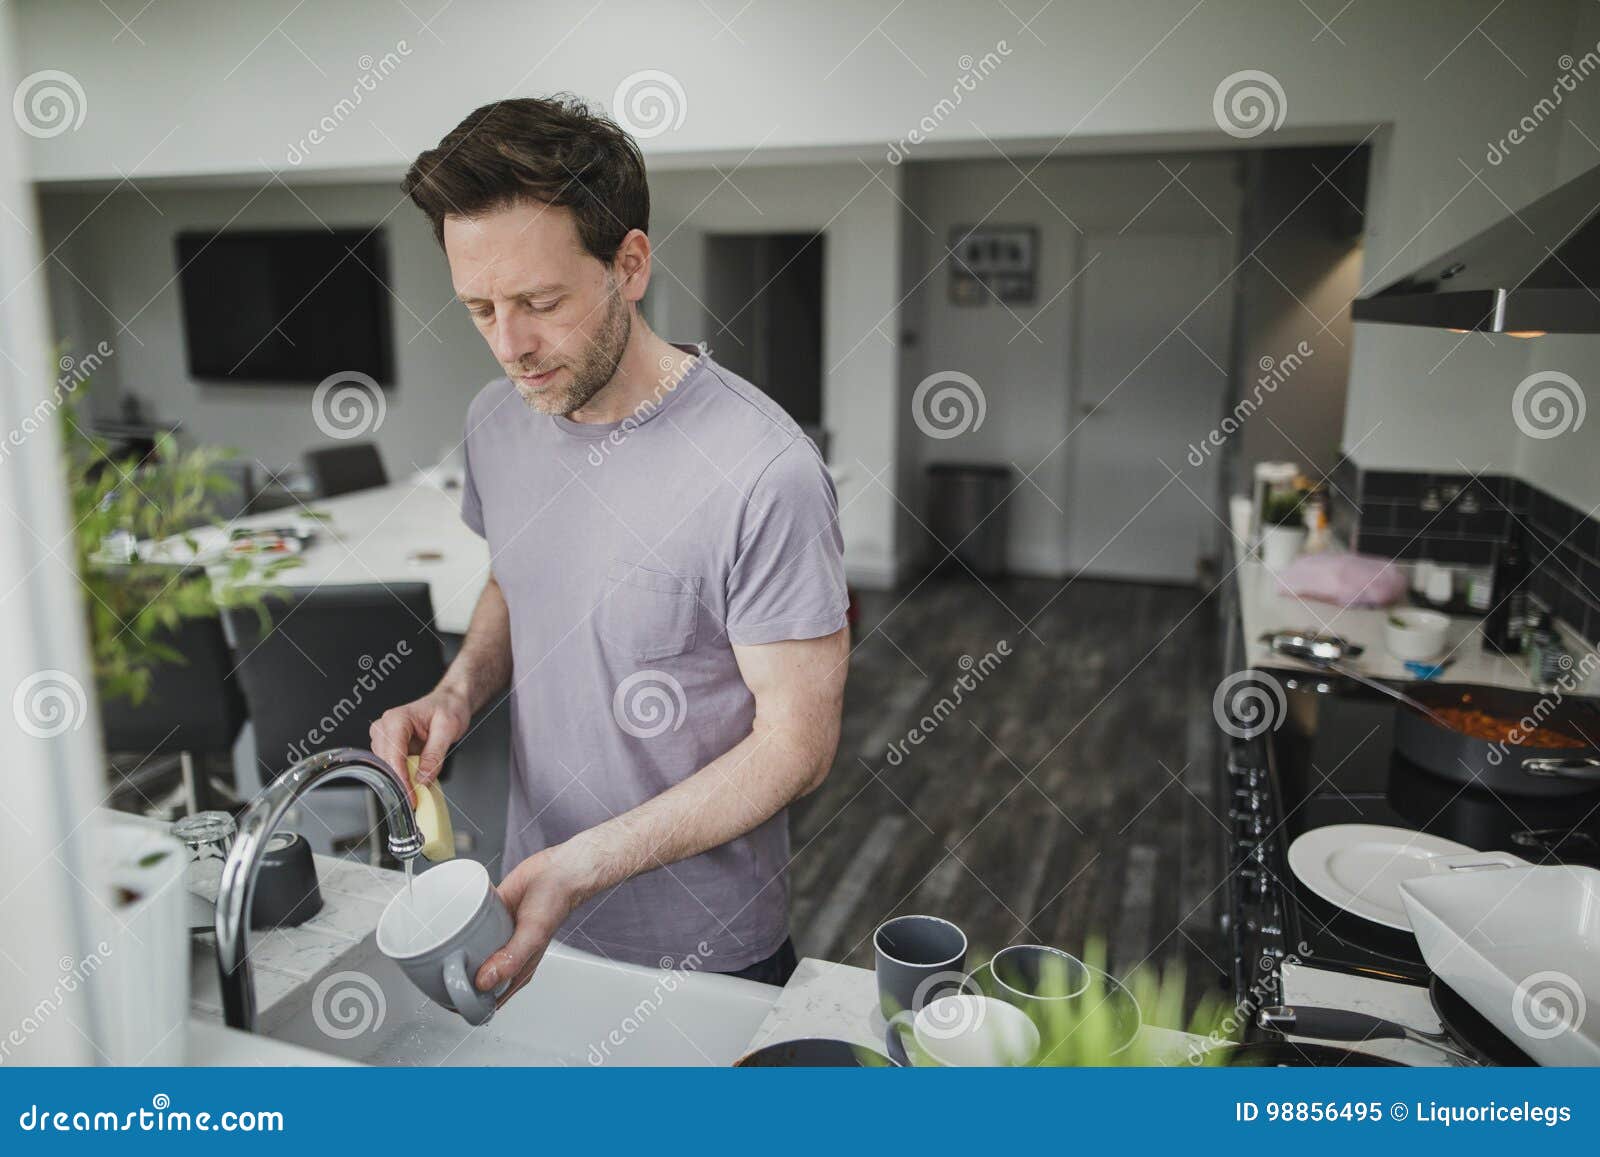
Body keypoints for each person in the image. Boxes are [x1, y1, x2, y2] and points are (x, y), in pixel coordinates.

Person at [371, 96, 849, 1000]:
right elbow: (517, 578)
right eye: (479, 309)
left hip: (703, 948)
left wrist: (584, 864)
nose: (510, 346)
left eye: (540, 302)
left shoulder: (763, 470)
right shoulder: (495, 423)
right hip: (525, 907)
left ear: (629, 264)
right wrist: (456, 691)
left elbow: (798, 746)